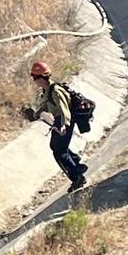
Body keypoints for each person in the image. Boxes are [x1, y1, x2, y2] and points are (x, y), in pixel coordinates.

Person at [29, 59, 89, 192]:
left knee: (59, 151)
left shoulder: (55, 91)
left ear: (40, 78)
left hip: (63, 120)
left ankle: (77, 176)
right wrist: (38, 112)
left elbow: (64, 108)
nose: (33, 80)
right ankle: (76, 165)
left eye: (34, 77)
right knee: (57, 148)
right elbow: (48, 103)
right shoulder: (47, 90)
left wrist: (64, 124)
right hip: (59, 120)